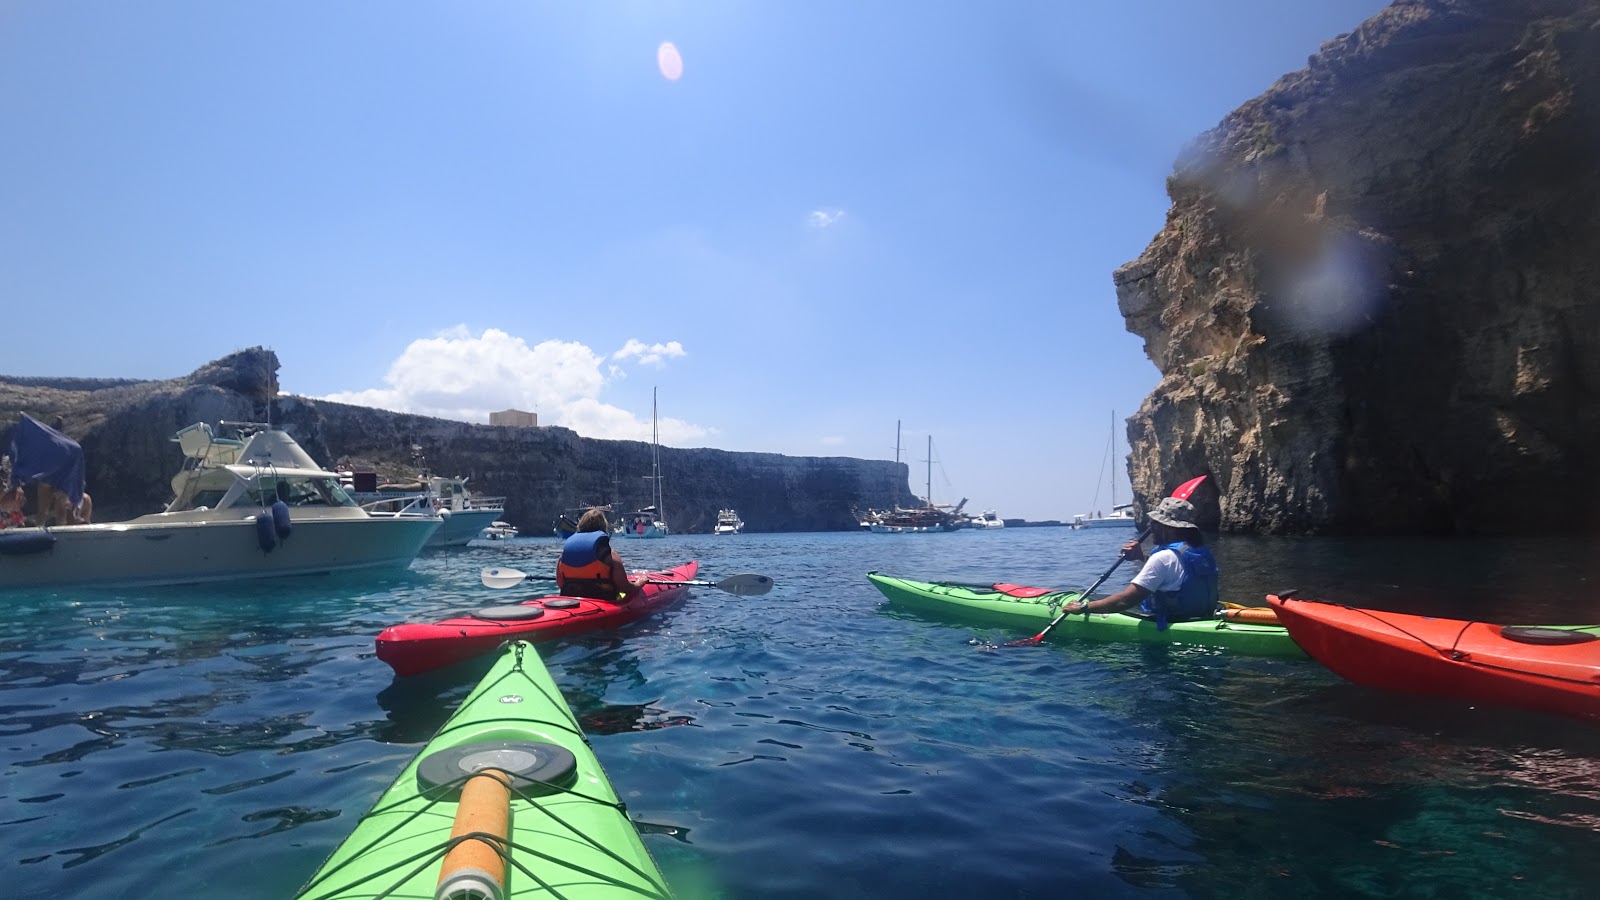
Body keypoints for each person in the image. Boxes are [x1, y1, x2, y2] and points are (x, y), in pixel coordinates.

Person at [1062, 496, 1219, 629]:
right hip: (1201, 617)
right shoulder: (1201, 552)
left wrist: (1084, 607)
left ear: (1169, 528)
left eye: (1155, 523)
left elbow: (1125, 600)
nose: (1150, 527)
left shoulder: (1163, 558)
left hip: (1170, 621)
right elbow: (1173, 572)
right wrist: (1141, 557)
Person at [555, 507, 645, 603]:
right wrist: (639, 583)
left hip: (571, 600)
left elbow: (561, 584)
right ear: (603, 526)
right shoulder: (610, 556)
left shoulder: (563, 557)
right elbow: (625, 587)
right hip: (600, 601)